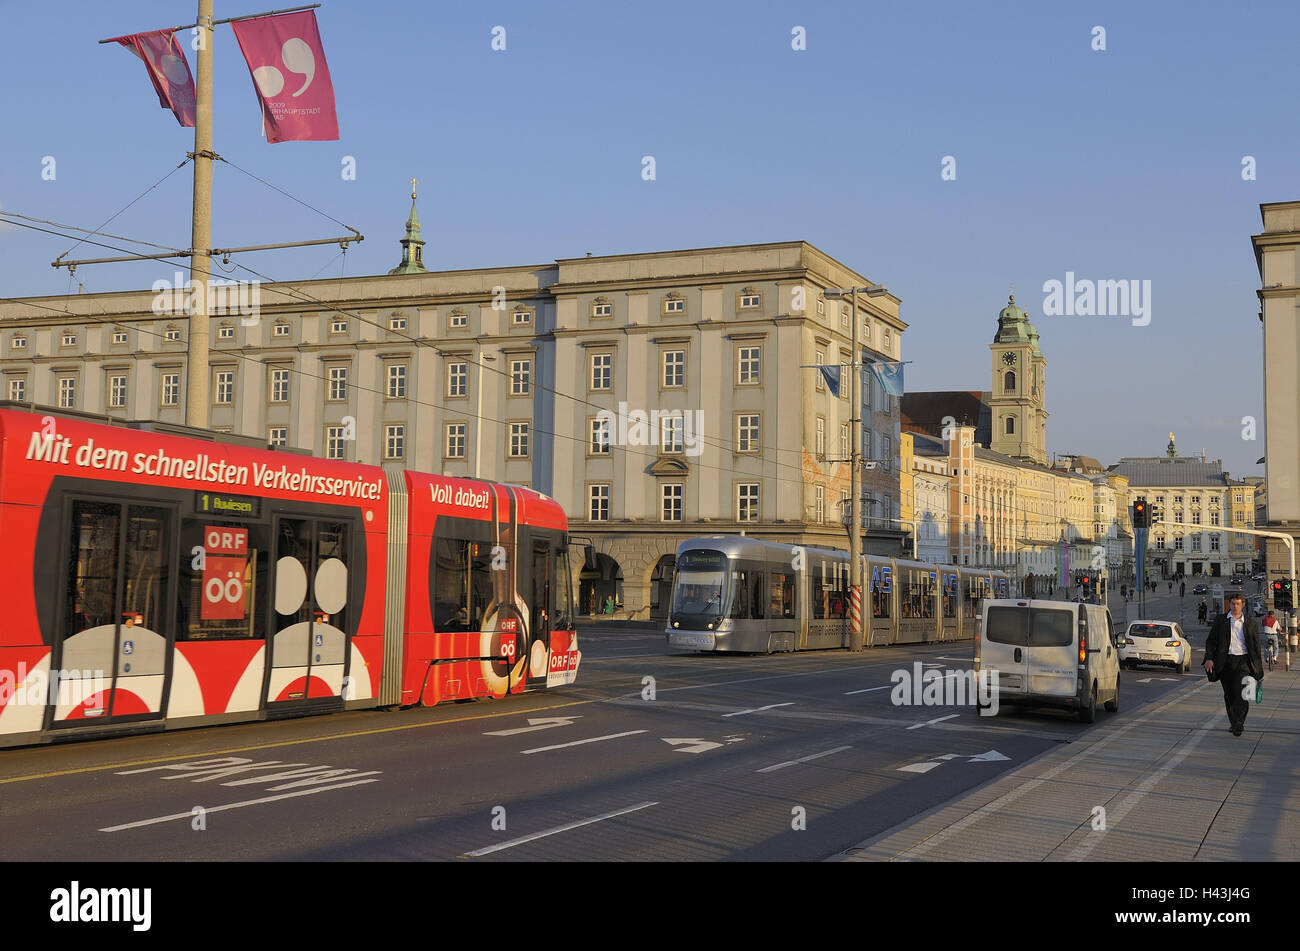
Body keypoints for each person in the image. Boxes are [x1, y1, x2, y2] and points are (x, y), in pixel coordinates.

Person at [1203, 595, 1263, 736]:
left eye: (1238, 604)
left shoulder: (1251, 623)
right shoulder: (1221, 621)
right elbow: (1211, 640)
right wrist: (1209, 658)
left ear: (1243, 605)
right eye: (1233, 603)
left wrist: (1258, 668)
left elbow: (1255, 647)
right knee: (1229, 694)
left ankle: (1239, 723)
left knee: (1241, 694)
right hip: (1225, 662)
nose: (1235, 606)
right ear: (1229, 604)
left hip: (1244, 662)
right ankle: (1233, 722)